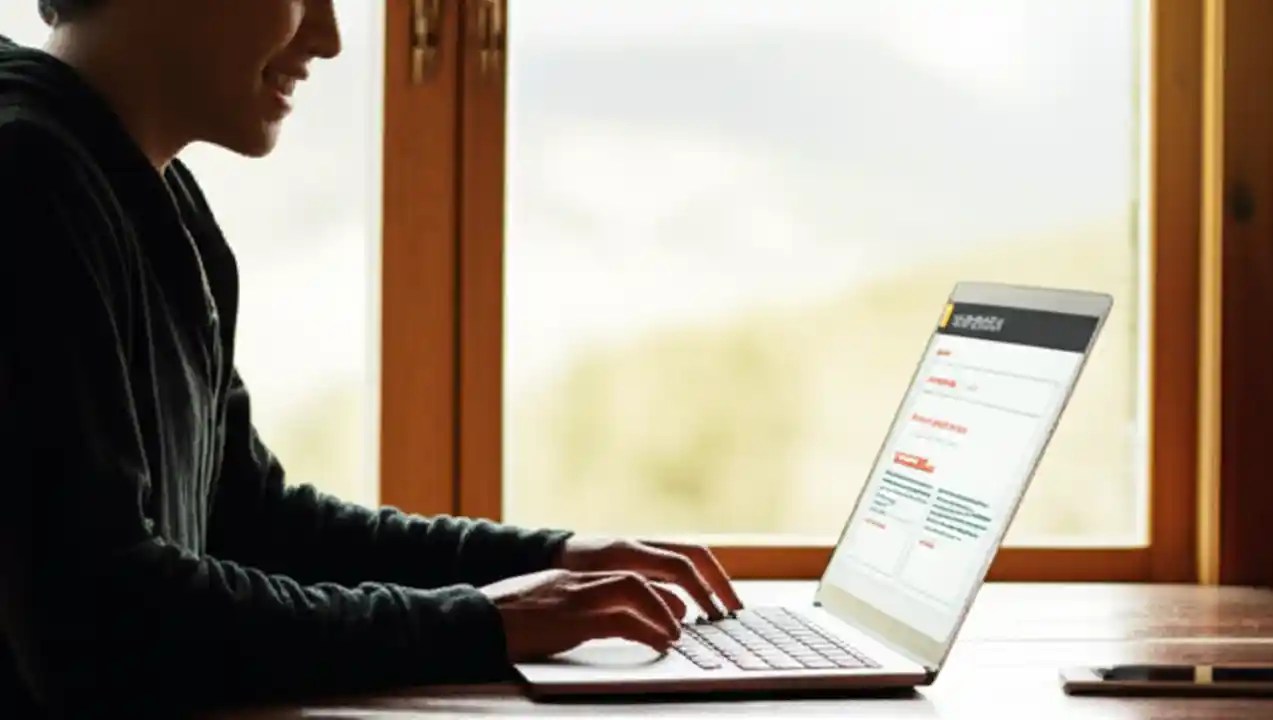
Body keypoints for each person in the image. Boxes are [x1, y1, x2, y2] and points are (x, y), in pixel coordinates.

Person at [0, 0, 745, 715]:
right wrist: (481, 624)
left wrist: (555, 560)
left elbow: (253, 523)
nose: (327, 39)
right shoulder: (29, 181)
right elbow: (99, 624)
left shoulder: (150, 194)